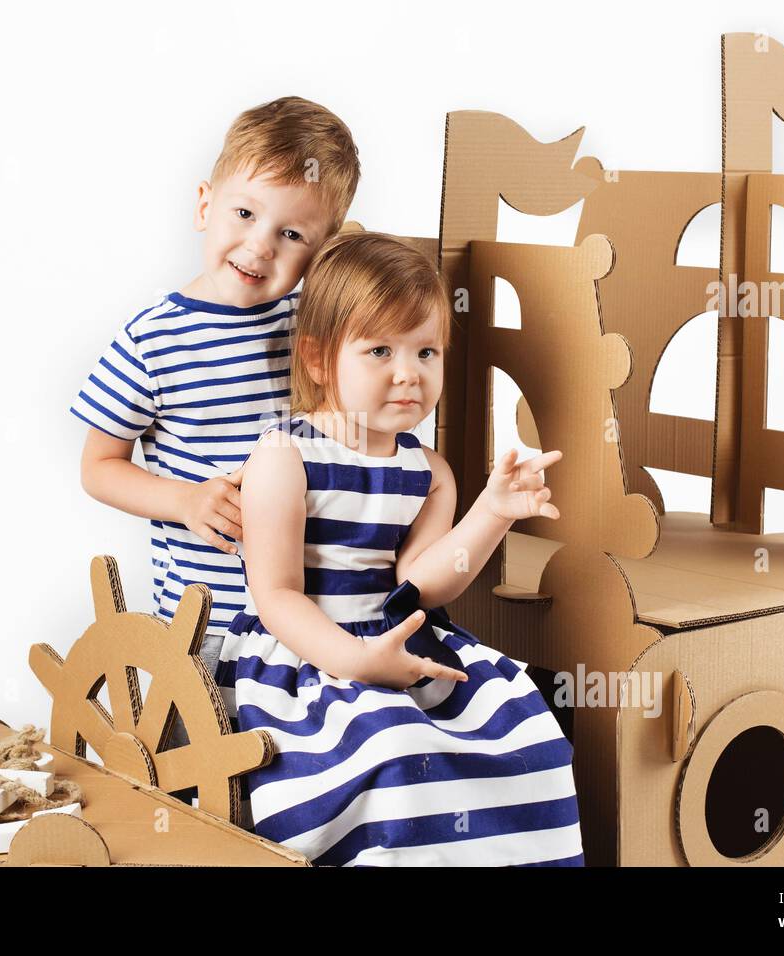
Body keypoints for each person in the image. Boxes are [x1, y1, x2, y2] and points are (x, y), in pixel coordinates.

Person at [214, 231, 585, 865]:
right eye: (379, 350)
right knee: (390, 750)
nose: (408, 373)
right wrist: (355, 661)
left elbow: (423, 583)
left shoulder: (429, 471)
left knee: (523, 723)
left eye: (427, 351)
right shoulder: (286, 456)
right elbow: (275, 593)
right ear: (317, 359)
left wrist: (492, 514)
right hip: (307, 654)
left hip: (400, 639)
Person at [71, 97, 360, 704]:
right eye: (244, 213)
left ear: (322, 250)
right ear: (205, 205)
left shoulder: (312, 326)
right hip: (206, 625)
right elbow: (99, 468)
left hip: (311, 616)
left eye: (291, 234)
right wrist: (184, 500)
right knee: (197, 777)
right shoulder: (154, 339)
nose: (259, 247)